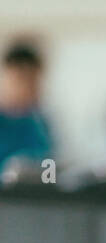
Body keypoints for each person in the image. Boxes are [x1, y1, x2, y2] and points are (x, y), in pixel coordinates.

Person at [0, 41, 54, 170]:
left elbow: (49, 171)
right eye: (23, 79)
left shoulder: (40, 124)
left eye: (35, 80)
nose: (30, 88)